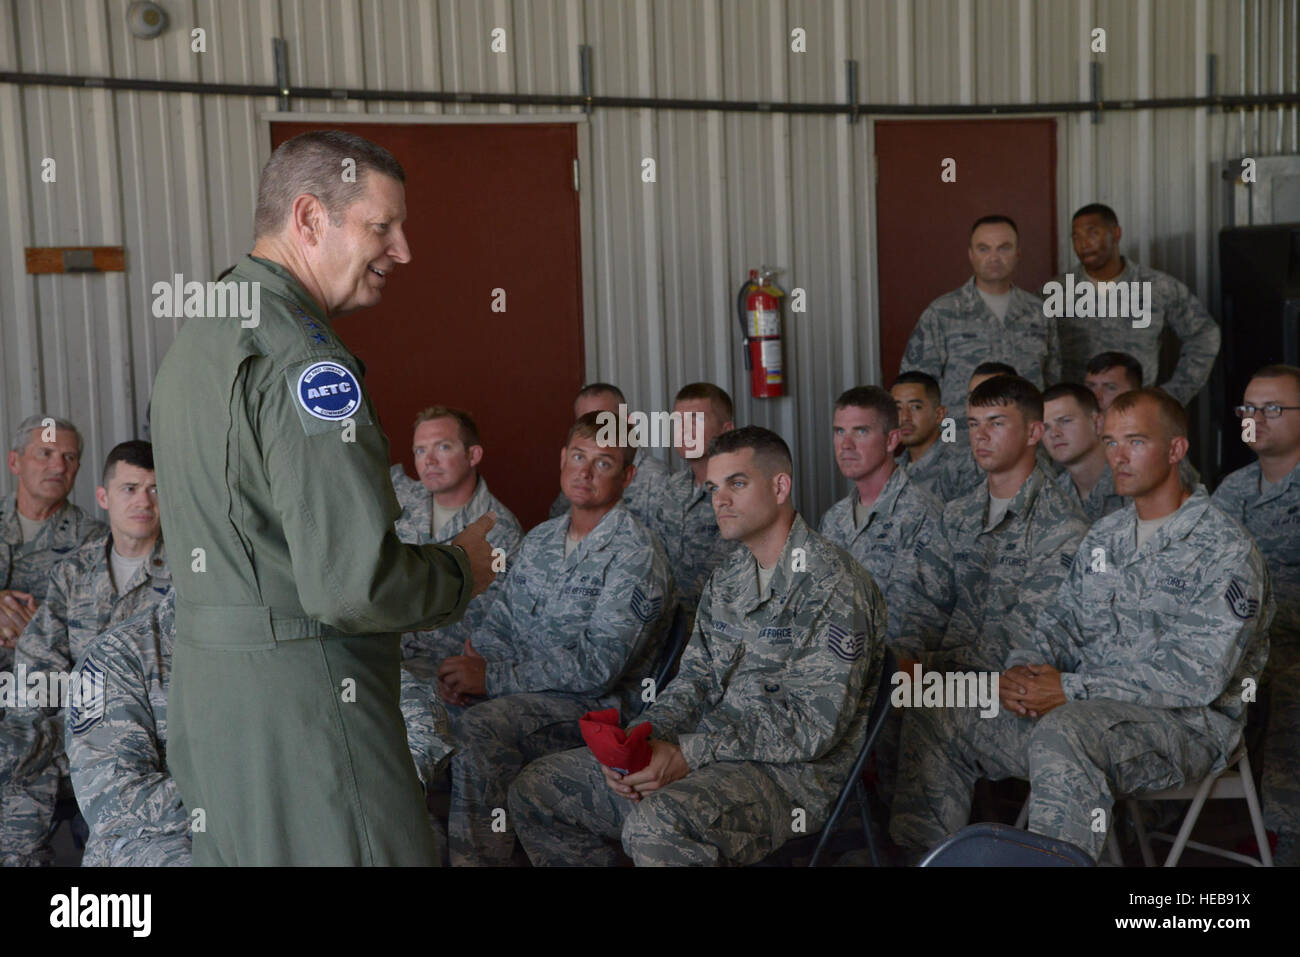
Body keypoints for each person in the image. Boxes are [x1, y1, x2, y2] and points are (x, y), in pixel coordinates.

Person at [149, 129, 497, 865]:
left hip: (214, 705)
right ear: (310, 218)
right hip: (309, 710)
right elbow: (350, 586)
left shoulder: (204, 332)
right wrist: (464, 567)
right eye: (382, 226)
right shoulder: (305, 359)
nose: (402, 251)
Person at [891, 389, 1271, 862]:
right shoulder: (1105, 536)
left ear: (1176, 450)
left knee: (1066, 732)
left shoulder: (1225, 549)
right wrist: (1020, 674)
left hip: (1184, 728)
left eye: (1135, 441)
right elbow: (1058, 623)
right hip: (1086, 713)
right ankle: (920, 861)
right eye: (1110, 442)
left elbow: (1194, 679)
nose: (1119, 457)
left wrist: (1070, 689)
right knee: (941, 714)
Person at [508, 427, 886, 866]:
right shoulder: (728, 578)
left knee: (655, 825)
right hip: (706, 756)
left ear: (780, 486)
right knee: (539, 789)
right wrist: (643, 743)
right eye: (712, 487)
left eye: (736, 484)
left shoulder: (835, 584)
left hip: (789, 780)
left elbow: (812, 726)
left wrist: (690, 752)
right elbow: (695, 680)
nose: (719, 500)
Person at [68, 590, 459, 866]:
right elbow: (113, 798)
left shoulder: (307, 629)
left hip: (317, 819)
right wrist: (272, 803)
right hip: (174, 838)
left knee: (409, 840)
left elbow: (420, 717)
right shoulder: (120, 656)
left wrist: (354, 793)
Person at [439, 412, 675, 865]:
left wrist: (493, 680)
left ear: (628, 476)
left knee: (481, 729)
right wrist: (471, 672)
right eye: (579, 457)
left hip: (595, 710)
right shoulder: (543, 538)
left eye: (603, 463)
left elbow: (599, 666)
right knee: (425, 706)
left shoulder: (637, 554)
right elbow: (501, 618)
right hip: (526, 695)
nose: (585, 472)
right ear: (563, 458)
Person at [0, 441, 170, 865]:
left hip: (149, 746)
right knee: (14, 802)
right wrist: (33, 730)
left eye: (155, 489)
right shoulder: (75, 571)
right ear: (103, 497)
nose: (143, 502)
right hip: (67, 734)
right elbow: (37, 664)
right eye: (130, 488)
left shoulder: (189, 573)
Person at [921, 375, 1087, 674]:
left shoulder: (1063, 525)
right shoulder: (955, 515)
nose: (980, 435)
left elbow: (1025, 638)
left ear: (1034, 432)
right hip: (935, 684)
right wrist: (900, 663)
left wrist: (922, 668)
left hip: (1006, 692)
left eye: (996, 423)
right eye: (973, 424)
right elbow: (921, 610)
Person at [1213, 364, 1300, 865]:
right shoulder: (1233, 490)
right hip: (1238, 647)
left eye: (1273, 409)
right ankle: (1156, 816)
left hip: (1290, 647)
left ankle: (1288, 841)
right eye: (1248, 408)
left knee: (1289, 689)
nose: (1255, 419)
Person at [391, 406, 523, 677]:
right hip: (386, 652)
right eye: (420, 450)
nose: (429, 461)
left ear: (473, 455)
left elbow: (494, 623)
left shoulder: (499, 531)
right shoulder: (400, 501)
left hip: (444, 665)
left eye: (443, 447)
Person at [820, 386, 947, 667]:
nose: (846, 445)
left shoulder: (921, 513)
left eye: (861, 431)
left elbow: (913, 628)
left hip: (890, 677)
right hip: (834, 671)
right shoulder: (834, 519)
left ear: (892, 440)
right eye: (839, 431)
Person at [900, 215, 1058, 428]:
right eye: (984, 249)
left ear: (1018, 253)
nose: (994, 257)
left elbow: (1053, 381)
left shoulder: (1040, 312)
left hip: (1027, 442)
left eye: (1004, 248)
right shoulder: (942, 313)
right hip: (961, 445)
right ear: (971, 255)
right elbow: (915, 387)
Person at [1053, 204, 1220, 404]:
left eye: (1092, 233)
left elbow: (1204, 333)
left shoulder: (1157, 287)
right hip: (1077, 416)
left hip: (1138, 412)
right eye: (1076, 237)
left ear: (1116, 233)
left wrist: (1175, 392)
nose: (1083, 244)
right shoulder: (1057, 292)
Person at [1, 416, 105, 665]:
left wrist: (42, 628)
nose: (59, 467)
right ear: (15, 462)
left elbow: (107, 631)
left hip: (47, 690)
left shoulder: (97, 541)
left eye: (68, 457)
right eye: (45, 453)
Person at [640, 383, 739, 615]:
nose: (684, 430)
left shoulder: (741, 492)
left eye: (696, 421)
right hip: (671, 629)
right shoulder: (671, 489)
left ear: (726, 430)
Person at [547, 383, 669, 524]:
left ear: (628, 422)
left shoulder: (660, 480)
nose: (594, 432)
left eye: (604, 423)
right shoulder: (577, 478)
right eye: (586, 423)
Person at [891, 371, 979, 502]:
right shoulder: (891, 468)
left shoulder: (964, 464)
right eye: (897, 408)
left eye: (915, 407)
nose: (904, 417)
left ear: (939, 415)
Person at [1042, 383, 1125, 522]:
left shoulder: (1134, 482)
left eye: (1065, 421)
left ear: (1098, 423)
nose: (1054, 433)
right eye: (1046, 427)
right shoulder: (1051, 497)